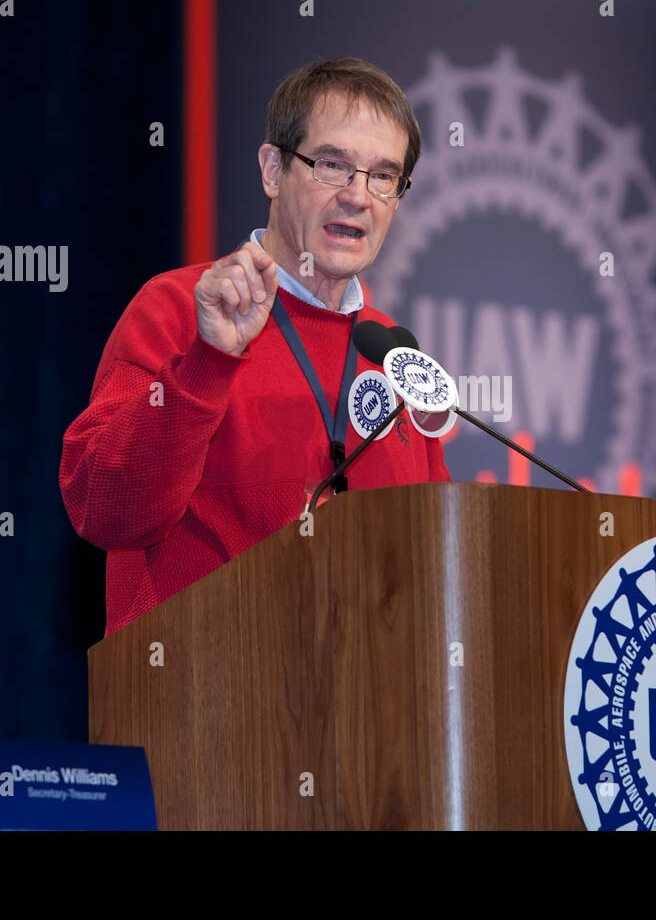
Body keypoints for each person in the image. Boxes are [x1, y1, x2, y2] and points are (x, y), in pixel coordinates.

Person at [60, 57, 450, 636]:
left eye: (383, 176)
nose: (357, 196)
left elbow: (435, 570)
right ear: (273, 170)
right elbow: (106, 511)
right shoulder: (177, 308)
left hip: (372, 713)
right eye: (332, 165)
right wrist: (207, 364)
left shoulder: (395, 354)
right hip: (204, 703)